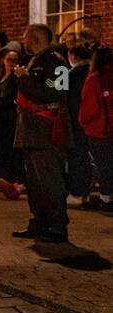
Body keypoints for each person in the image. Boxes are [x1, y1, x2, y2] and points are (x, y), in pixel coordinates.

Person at [12, 24, 72, 243]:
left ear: (36, 39)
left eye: (26, 37)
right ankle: (39, 222)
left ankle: (57, 225)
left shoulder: (56, 63)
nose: (23, 41)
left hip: (46, 131)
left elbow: (53, 91)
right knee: (35, 183)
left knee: (50, 181)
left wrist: (24, 78)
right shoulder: (37, 61)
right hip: (32, 130)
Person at [0, 44, 24, 193]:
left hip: (8, 119)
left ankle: (9, 179)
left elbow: (11, 98)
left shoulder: (16, 78)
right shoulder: (0, 76)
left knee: (7, 150)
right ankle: (1, 177)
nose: (12, 62)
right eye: (9, 59)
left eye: (15, 59)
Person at [79, 46, 113, 210]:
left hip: (98, 129)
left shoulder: (94, 79)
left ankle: (106, 198)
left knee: (103, 165)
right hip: (109, 128)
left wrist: (83, 122)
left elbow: (89, 108)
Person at [66, 42, 95, 207]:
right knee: (88, 158)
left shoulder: (71, 74)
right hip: (91, 120)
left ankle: (77, 193)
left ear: (74, 56)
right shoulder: (93, 72)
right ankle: (87, 193)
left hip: (75, 120)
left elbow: (58, 90)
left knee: (76, 157)